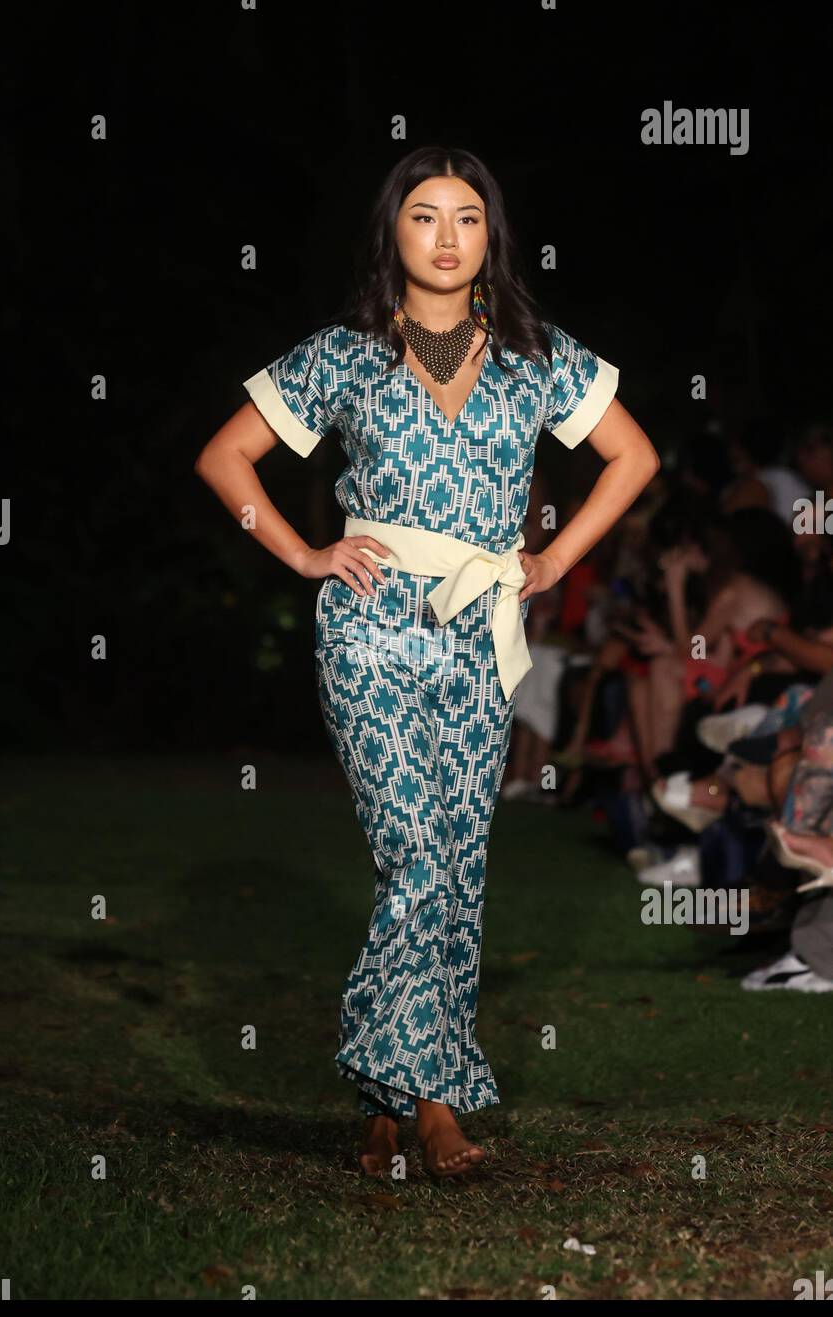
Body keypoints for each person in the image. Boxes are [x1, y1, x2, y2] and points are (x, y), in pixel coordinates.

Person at [193, 146, 660, 1179]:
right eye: (422, 217)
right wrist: (307, 552)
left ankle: (394, 1098)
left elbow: (634, 457)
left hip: (479, 632)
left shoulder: (538, 355)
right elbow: (223, 457)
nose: (445, 236)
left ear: (490, 234)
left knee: (458, 862)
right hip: (368, 623)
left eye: (465, 217)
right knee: (412, 852)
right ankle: (429, 1093)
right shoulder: (345, 353)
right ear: (390, 235)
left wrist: (548, 562)